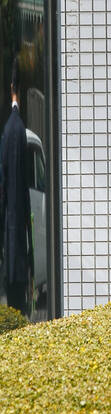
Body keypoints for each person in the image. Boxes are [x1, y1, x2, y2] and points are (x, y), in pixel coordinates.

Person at [0, 63, 32, 317]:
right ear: (18, 90)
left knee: (11, 268)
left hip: (9, 214)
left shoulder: (9, 129)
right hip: (17, 215)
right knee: (17, 266)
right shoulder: (19, 128)